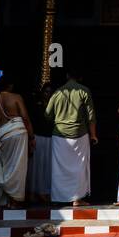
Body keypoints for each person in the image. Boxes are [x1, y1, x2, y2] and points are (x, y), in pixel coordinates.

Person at [46, 73, 98, 206]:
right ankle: (77, 199)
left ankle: (59, 197)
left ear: (67, 76)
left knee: (59, 168)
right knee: (79, 167)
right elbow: (91, 116)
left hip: (59, 135)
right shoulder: (84, 91)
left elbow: (47, 115)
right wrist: (93, 135)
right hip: (79, 134)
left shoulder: (57, 93)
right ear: (79, 76)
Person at [0, 80, 34, 207]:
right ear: (10, 85)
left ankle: (8, 198)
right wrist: (31, 136)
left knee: (7, 167)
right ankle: (15, 200)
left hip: (3, 134)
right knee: (18, 167)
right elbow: (25, 117)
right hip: (18, 132)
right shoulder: (16, 97)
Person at [27, 83, 53, 204]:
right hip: (38, 137)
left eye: (50, 92)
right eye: (46, 92)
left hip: (49, 138)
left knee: (46, 166)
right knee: (36, 166)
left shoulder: (54, 107)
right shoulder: (36, 106)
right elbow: (30, 121)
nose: (47, 94)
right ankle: (33, 193)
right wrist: (31, 138)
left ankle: (44, 192)